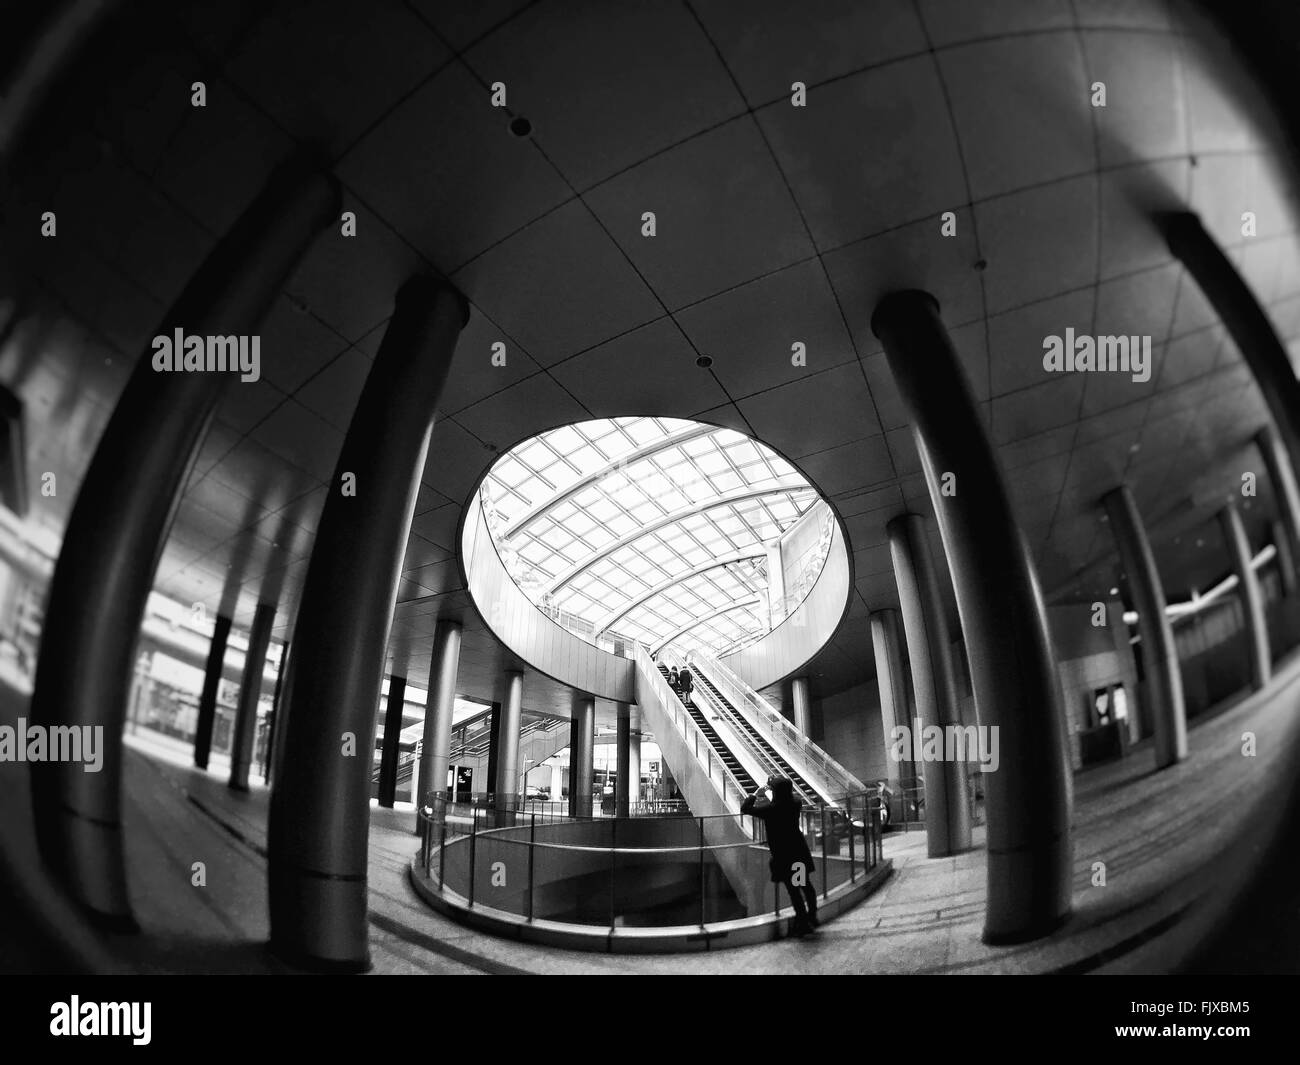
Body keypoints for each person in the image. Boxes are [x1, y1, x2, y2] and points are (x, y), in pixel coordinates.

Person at [741, 776, 819, 936]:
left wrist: (757, 793)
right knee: (805, 885)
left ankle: (803, 923)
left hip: (784, 857)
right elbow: (787, 798)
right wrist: (775, 790)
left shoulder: (770, 810)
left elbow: (745, 808)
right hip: (798, 853)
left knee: (794, 891)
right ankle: (812, 916)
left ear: (775, 792)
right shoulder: (795, 803)